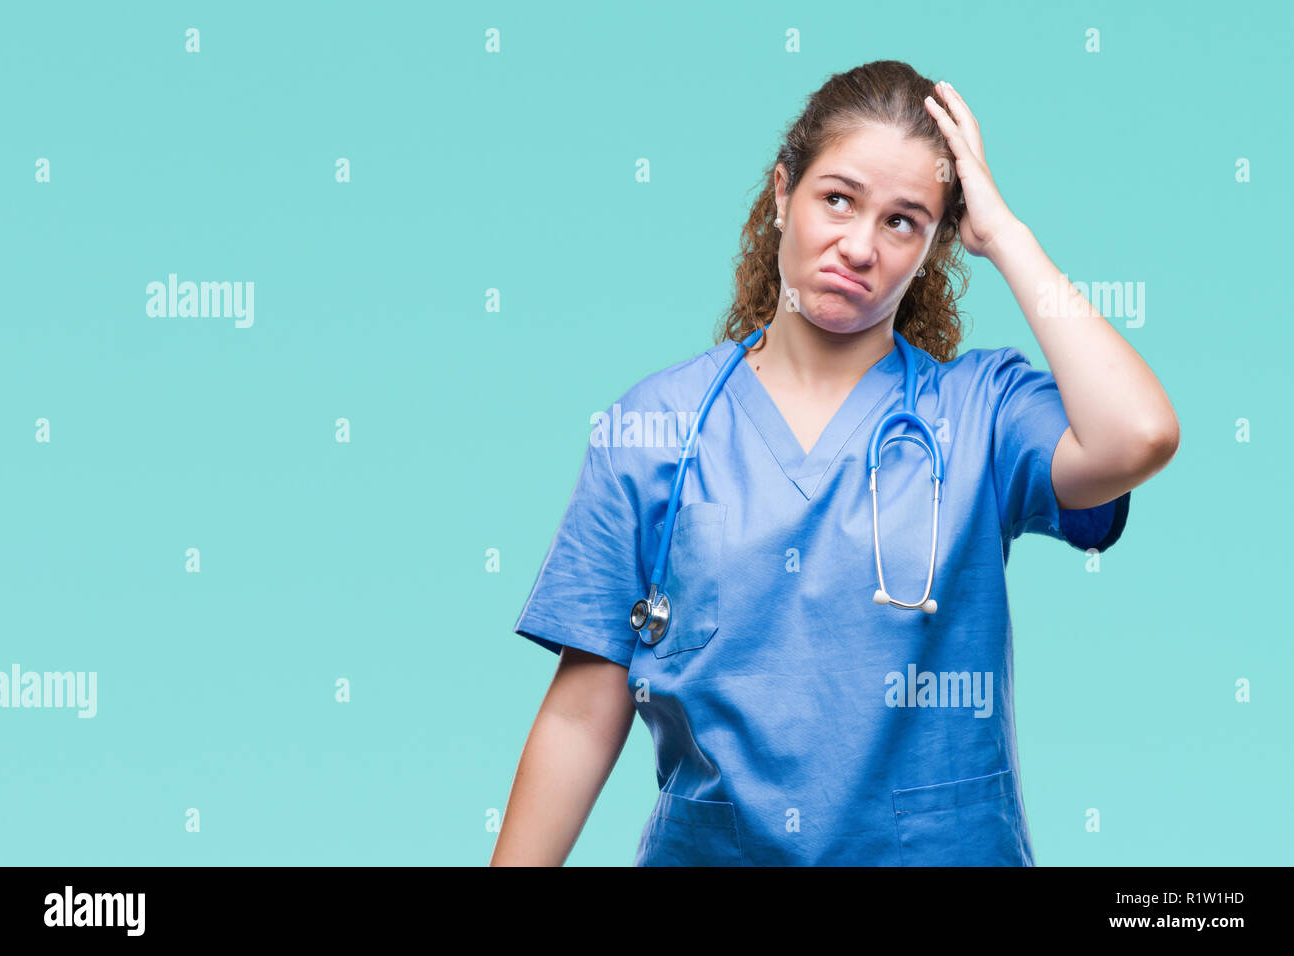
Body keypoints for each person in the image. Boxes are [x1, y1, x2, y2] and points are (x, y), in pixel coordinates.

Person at [490, 60, 1179, 866]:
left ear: (936, 245)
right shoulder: (654, 428)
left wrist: (1005, 235)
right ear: (783, 193)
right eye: (838, 199)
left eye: (903, 221)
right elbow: (583, 709)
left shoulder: (980, 413)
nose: (859, 245)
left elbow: (1139, 434)